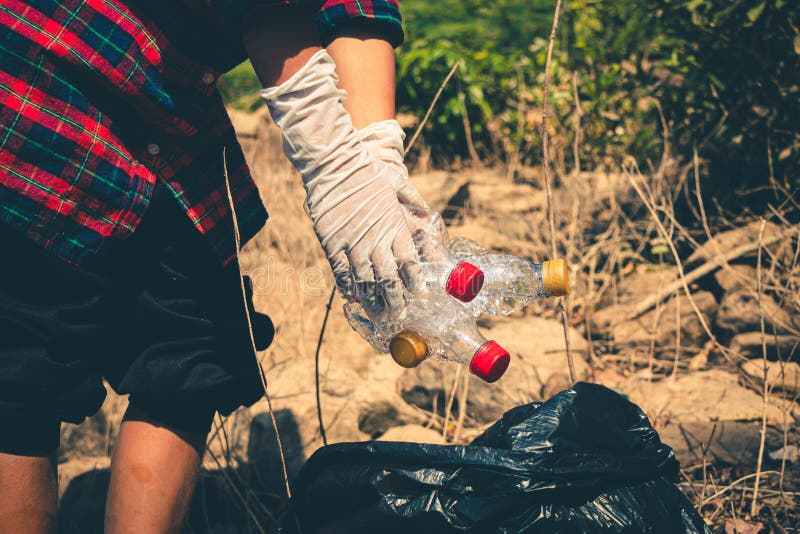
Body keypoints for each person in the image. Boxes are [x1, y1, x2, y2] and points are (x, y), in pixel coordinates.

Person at [0, 1, 427, 532]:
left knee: (194, 340)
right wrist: (333, 161)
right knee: (20, 361)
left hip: (168, 101)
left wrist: (375, 157)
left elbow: (352, 8)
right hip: (43, 74)